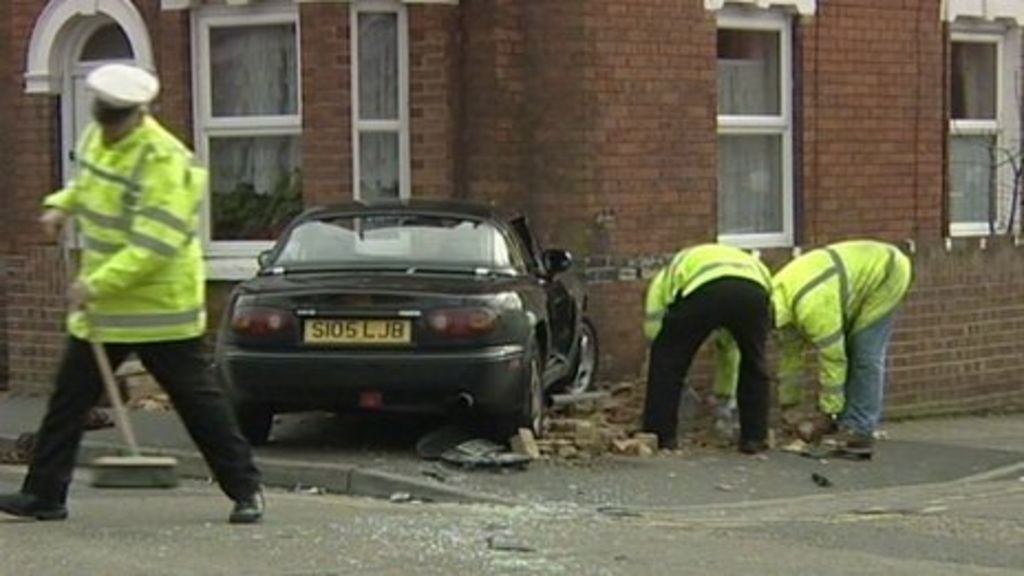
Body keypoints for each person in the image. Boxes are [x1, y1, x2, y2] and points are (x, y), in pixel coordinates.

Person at [0, 63, 264, 523]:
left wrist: (95, 282)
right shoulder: (96, 137)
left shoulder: (164, 161)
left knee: (197, 401)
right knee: (69, 399)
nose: (109, 130)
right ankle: (44, 494)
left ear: (138, 114)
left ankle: (246, 489)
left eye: (117, 121)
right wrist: (61, 207)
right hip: (105, 305)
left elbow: (154, 245)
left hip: (159, 307)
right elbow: (86, 185)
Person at [772, 239, 912, 458]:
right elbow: (791, 362)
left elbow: (834, 359)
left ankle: (859, 431)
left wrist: (827, 413)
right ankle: (845, 422)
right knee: (849, 349)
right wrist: (790, 409)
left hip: (886, 272)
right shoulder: (779, 306)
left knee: (864, 354)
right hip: (853, 274)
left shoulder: (811, 308)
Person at [642, 244, 774, 454]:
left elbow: (655, 321)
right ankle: (755, 437)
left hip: (705, 291)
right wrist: (724, 394)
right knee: (754, 363)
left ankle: (660, 435)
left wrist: (657, 346)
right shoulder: (748, 261)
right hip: (754, 293)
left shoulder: (666, 275)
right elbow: (730, 348)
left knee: (667, 361)